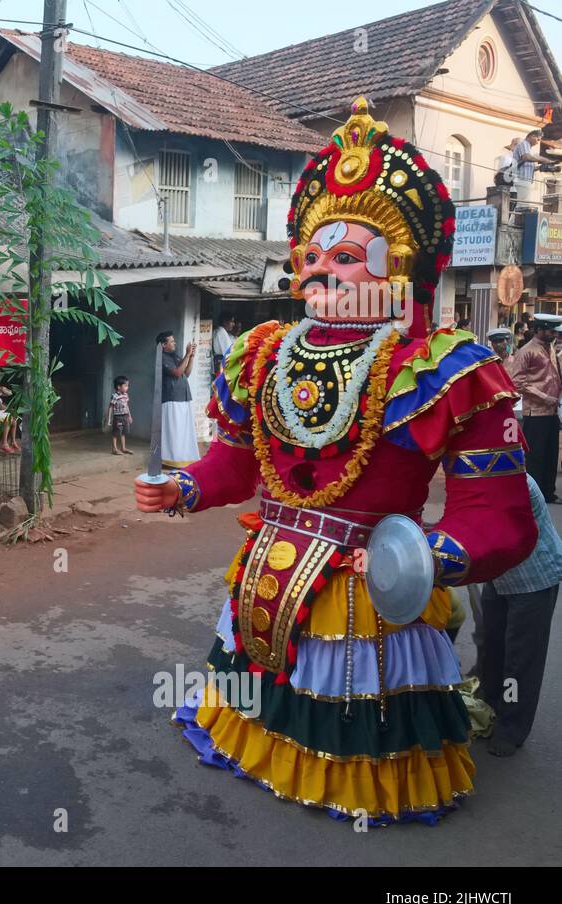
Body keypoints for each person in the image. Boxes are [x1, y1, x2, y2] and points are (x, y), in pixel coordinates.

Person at [137, 98, 536, 825]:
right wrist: (188, 488)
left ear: (400, 265)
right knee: (261, 688)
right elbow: (236, 463)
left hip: (367, 583)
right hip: (269, 564)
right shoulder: (263, 353)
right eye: (314, 255)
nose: (321, 271)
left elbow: (501, 519)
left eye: (347, 257)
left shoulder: (445, 370)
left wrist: (422, 556)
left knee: (357, 730)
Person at [474, 473, 562, 756]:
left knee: (518, 661)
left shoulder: (516, 483)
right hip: (500, 576)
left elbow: (493, 536)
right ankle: (489, 709)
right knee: (491, 649)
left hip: (534, 579)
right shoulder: (476, 478)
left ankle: (511, 728)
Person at [507, 314, 562, 502]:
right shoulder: (526, 351)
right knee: (535, 457)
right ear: (539, 329)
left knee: (551, 454)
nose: (554, 334)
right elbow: (518, 383)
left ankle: (548, 492)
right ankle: (533, 496)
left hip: (552, 411)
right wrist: (544, 397)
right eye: (550, 331)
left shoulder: (551, 348)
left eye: (555, 331)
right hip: (535, 411)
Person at [157, 331, 199, 467]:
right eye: (172, 341)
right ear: (163, 345)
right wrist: (187, 354)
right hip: (172, 398)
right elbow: (177, 373)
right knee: (174, 431)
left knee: (183, 431)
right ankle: (170, 460)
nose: (174, 343)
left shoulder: (174, 356)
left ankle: (182, 459)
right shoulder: (161, 357)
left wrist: (191, 357)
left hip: (183, 397)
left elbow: (186, 373)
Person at [106, 375, 132, 455]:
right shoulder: (115, 396)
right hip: (118, 417)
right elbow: (110, 407)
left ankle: (123, 448)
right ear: (118, 387)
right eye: (125, 386)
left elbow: (127, 406)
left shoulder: (126, 395)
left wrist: (129, 416)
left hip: (125, 416)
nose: (127, 387)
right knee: (116, 433)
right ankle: (114, 449)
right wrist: (109, 418)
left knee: (123, 432)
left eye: (128, 386)